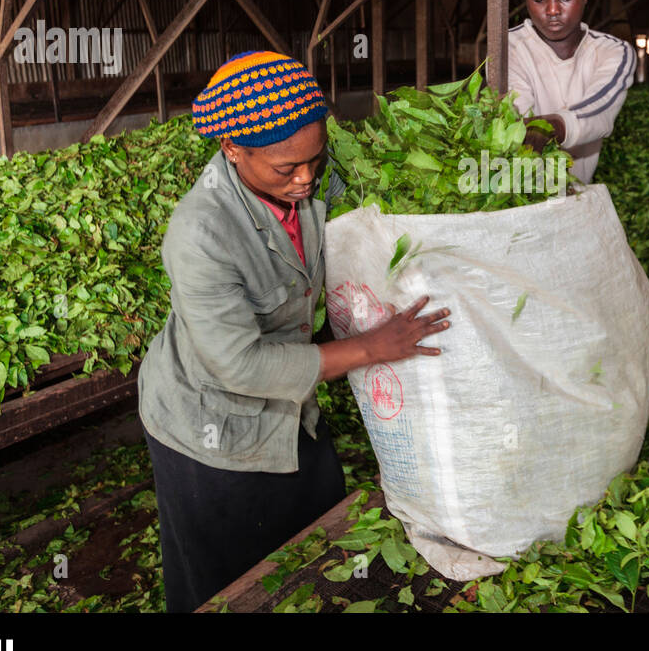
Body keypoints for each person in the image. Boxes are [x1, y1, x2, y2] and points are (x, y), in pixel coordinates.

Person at [137, 50, 452, 612]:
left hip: (291, 401)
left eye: (313, 158)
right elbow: (240, 365)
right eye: (286, 168)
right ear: (232, 150)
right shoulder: (200, 233)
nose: (305, 178)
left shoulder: (309, 183)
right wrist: (369, 348)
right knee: (225, 581)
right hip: (212, 425)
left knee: (309, 545)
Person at [507, 0, 636, 184]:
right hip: (518, 187)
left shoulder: (612, 52)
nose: (553, 10)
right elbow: (515, 118)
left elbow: (598, 111)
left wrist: (547, 127)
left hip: (578, 190)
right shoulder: (508, 47)